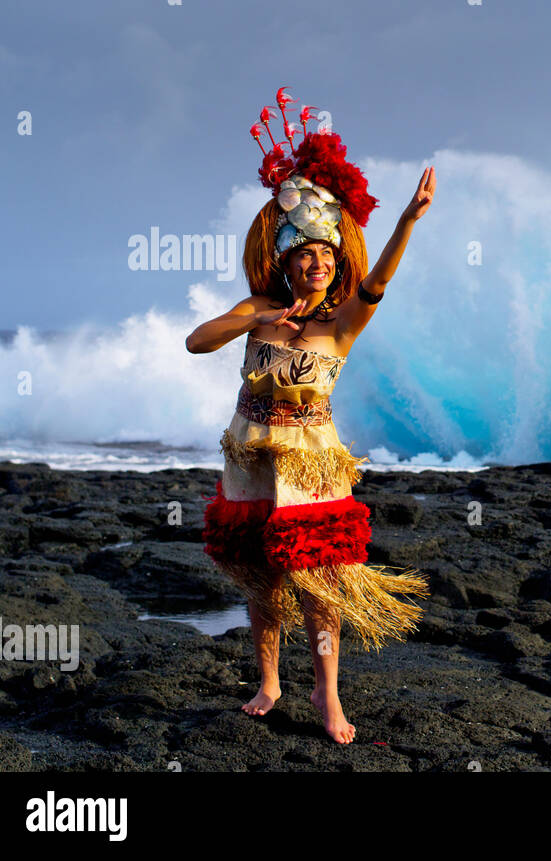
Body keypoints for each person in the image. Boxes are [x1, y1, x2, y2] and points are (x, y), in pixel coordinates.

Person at [187, 88, 435, 743]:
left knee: (319, 582)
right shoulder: (258, 307)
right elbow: (197, 340)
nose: (318, 263)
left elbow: (378, 282)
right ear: (290, 260)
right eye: (307, 254)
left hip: (311, 459)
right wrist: (260, 316)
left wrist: (407, 220)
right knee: (262, 577)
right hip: (250, 455)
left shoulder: (342, 322)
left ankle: (329, 698)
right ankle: (268, 679)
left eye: (327, 255)